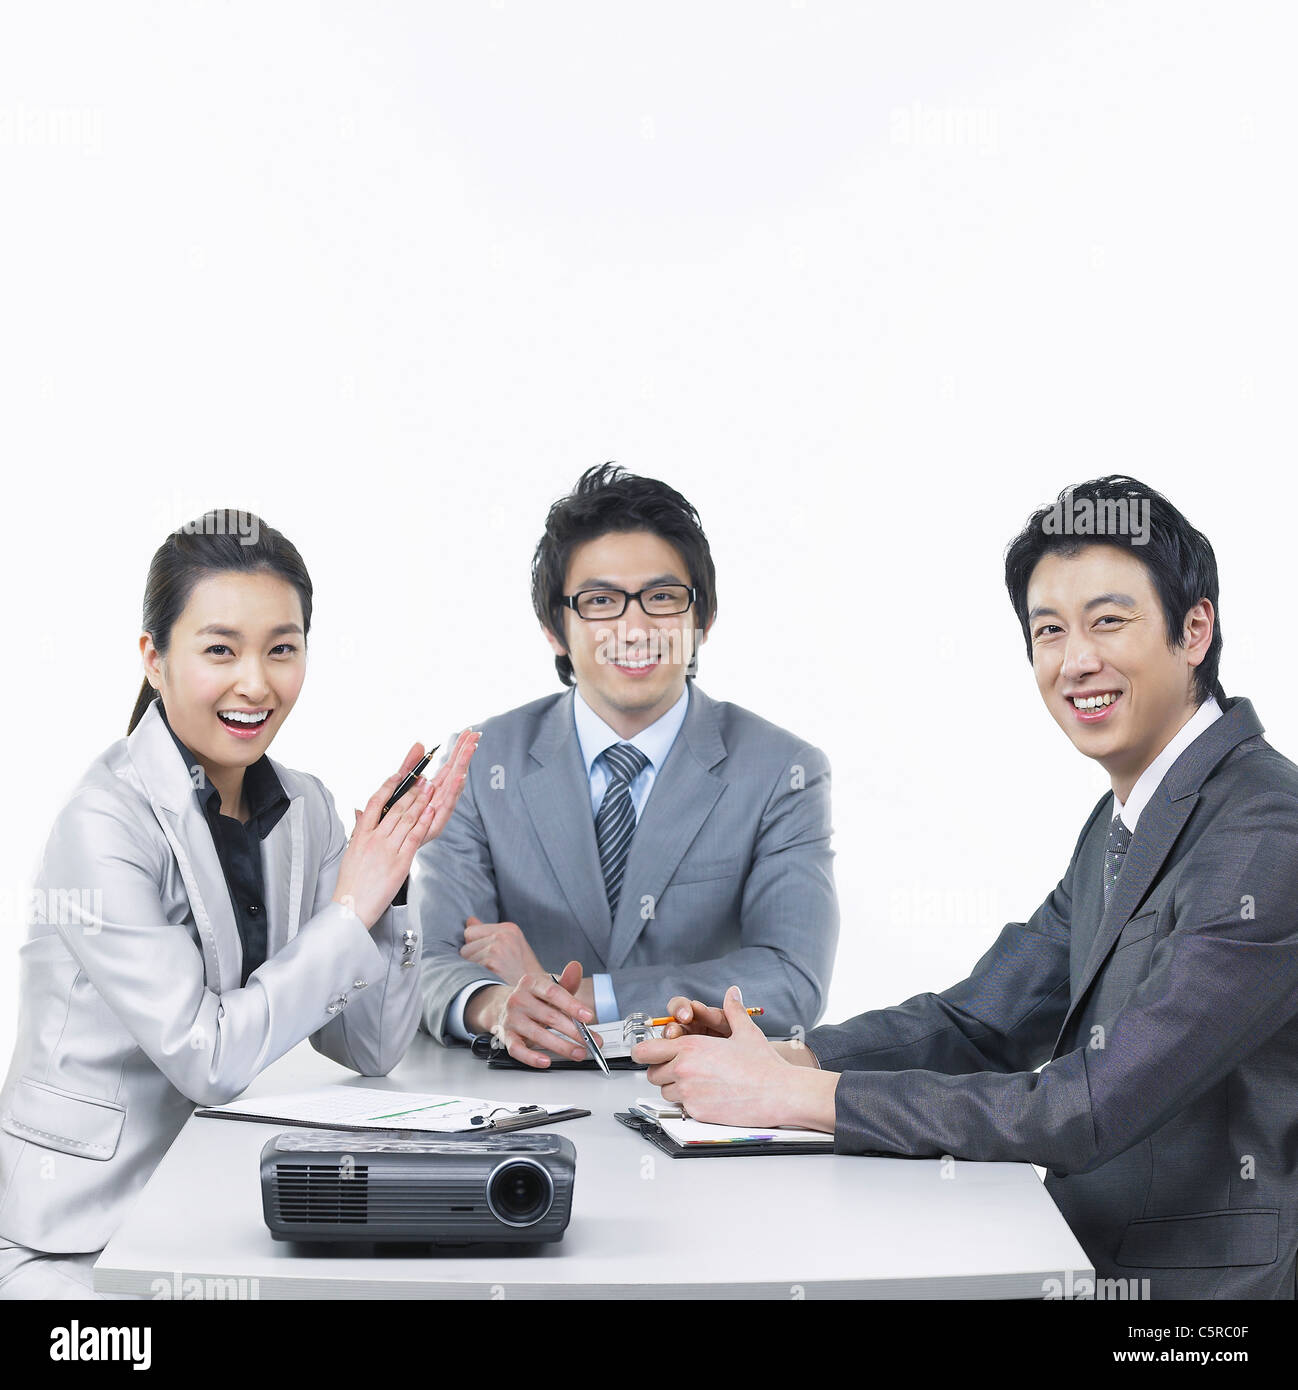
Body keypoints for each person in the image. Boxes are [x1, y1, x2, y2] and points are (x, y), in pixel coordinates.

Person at [635, 475, 1298, 1300]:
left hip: (1204, 1298)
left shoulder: (1265, 833)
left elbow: (1087, 1105)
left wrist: (802, 1097)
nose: (1075, 659)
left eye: (1109, 621)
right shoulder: (1128, 815)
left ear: (1195, 630)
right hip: (1076, 1248)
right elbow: (983, 1019)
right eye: (1047, 630)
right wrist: (788, 1055)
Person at [0, 511, 478, 1298]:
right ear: (154, 659)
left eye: (282, 649)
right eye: (220, 649)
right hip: (74, 1239)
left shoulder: (307, 807)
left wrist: (387, 883)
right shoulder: (104, 821)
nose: (256, 682)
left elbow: (372, 1047)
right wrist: (347, 913)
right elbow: (208, 1058)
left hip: (217, 1221)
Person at [412, 464, 838, 1066]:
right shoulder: (481, 763)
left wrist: (580, 997)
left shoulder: (782, 771)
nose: (635, 629)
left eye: (662, 598)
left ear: (702, 621)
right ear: (555, 628)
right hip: (515, 1099)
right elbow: (430, 961)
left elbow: (791, 980)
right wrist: (498, 1005)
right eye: (601, 602)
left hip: (708, 1110)